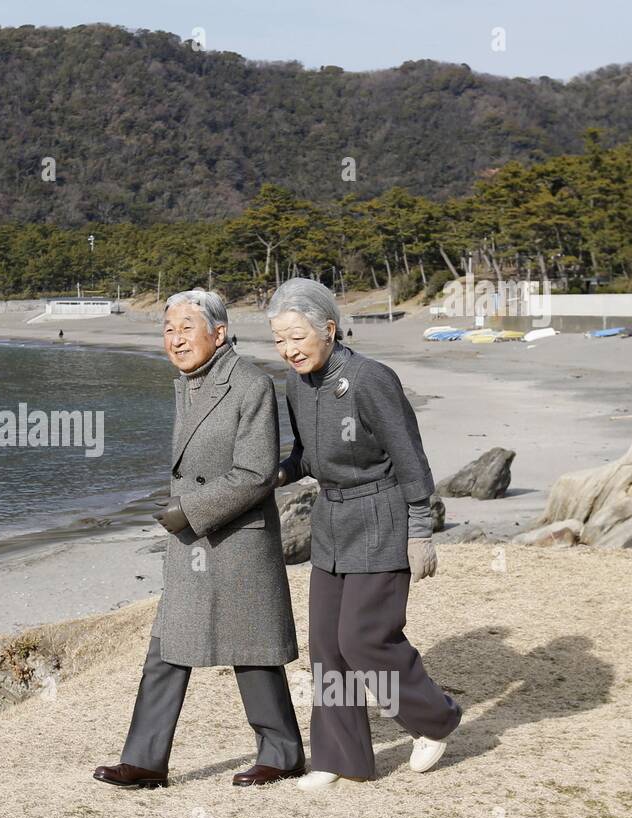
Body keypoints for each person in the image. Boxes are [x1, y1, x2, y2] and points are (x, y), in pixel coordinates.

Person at [94, 289, 303, 789]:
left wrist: (187, 510)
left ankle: (283, 753)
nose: (176, 338)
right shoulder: (191, 382)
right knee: (167, 647)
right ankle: (145, 761)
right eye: (168, 329)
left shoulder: (249, 384)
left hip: (236, 538)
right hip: (195, 542)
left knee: (253, 649)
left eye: (187, 327)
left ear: (220, 332)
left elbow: (256, 474)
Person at [269, 277, 461, 790]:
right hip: (330, 524)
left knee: (363, 638)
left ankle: (434, 720)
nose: (289, 350)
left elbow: (410, 459)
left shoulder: (371, 378)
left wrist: (420, 532)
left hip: (381, 519)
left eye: (297, 337)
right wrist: (283, 472)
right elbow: (310, 453)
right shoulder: (294, 383)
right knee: (327, 648)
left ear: (328, 329)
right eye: (279, 340)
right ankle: (341, 756)